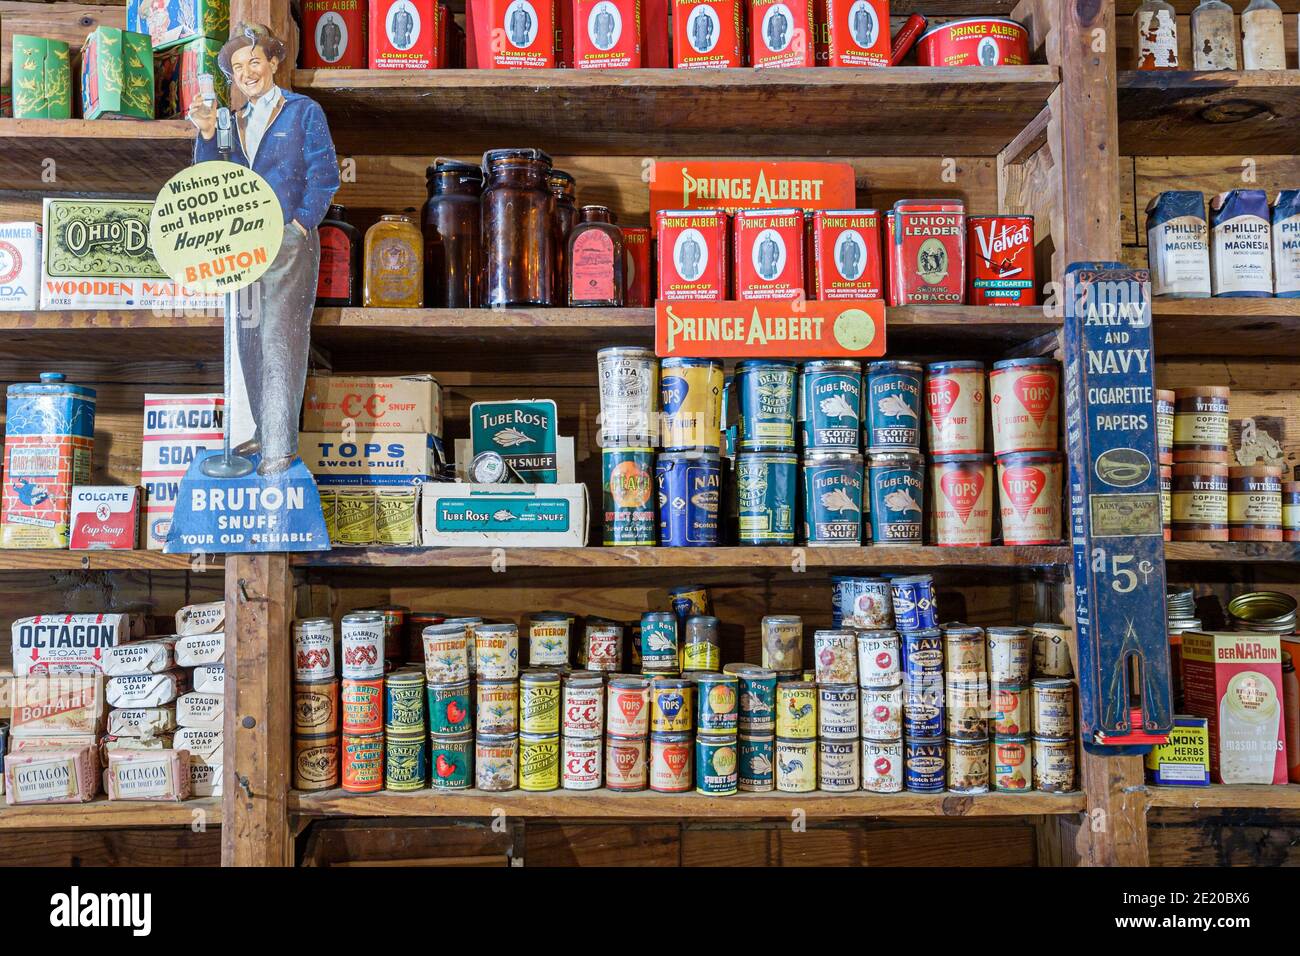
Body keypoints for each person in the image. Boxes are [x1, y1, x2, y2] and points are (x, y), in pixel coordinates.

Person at [188, 22, 340, 476]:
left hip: (288, 242)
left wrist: (299, 224)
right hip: (244, 246)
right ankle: (264, 427)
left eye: (255, 61)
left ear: (273, 62)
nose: (247, 72)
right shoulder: (232, 120)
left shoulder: (302, 111)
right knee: (249, 338)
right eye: (238, 67)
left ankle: (280, 447)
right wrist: (207, 133)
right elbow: (211, 180)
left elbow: (325, 173)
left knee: (280, 338)